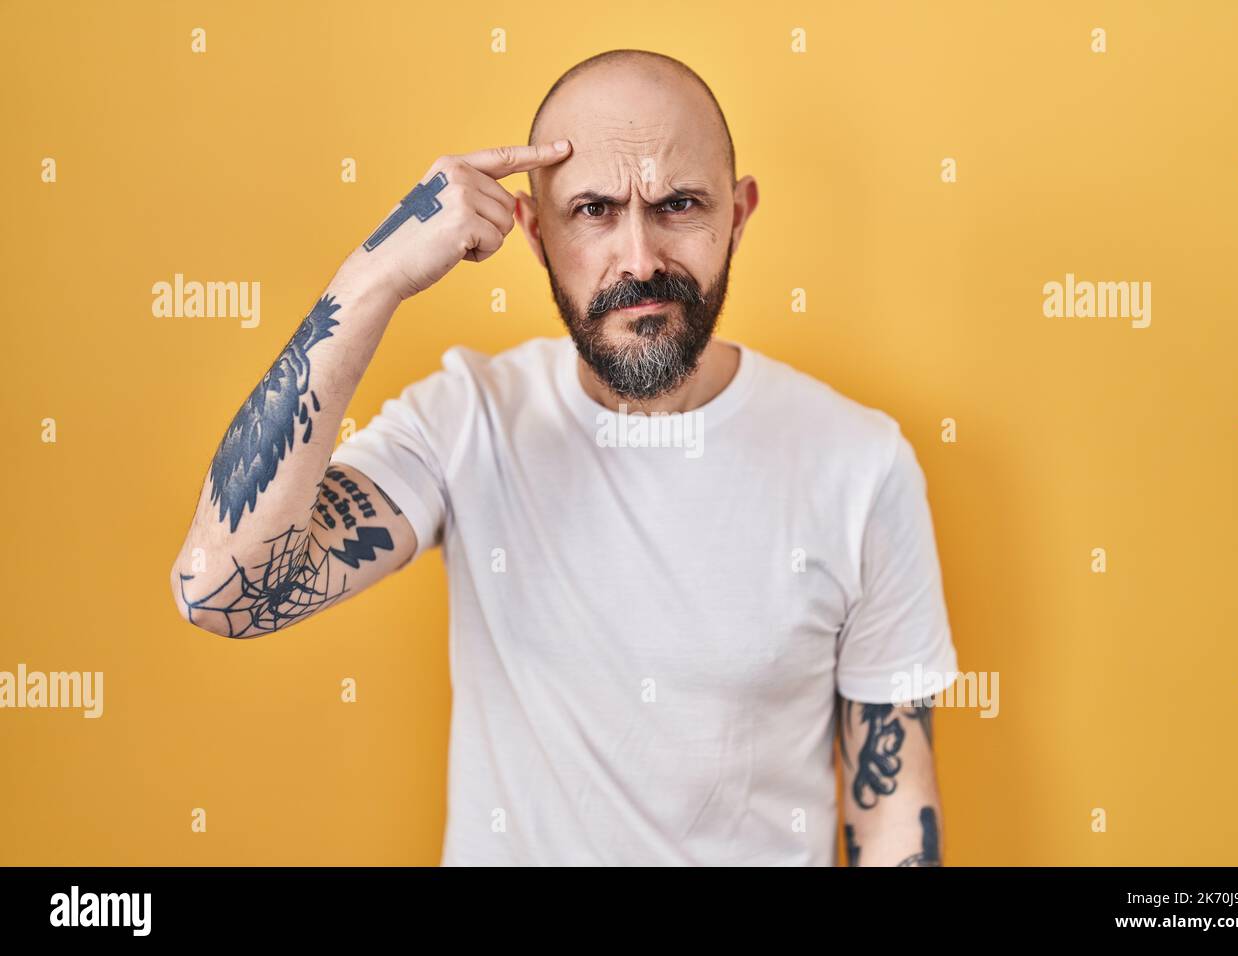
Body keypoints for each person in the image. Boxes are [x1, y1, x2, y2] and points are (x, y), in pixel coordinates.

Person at [170, 48, 959, 867]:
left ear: (739, 213)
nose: (640, 258)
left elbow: (894, 803)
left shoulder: (861, 464)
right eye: (593, 210)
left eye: (679, 204)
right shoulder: (468, 421)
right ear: (535, 234)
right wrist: (373, 279)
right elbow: (221, 591)